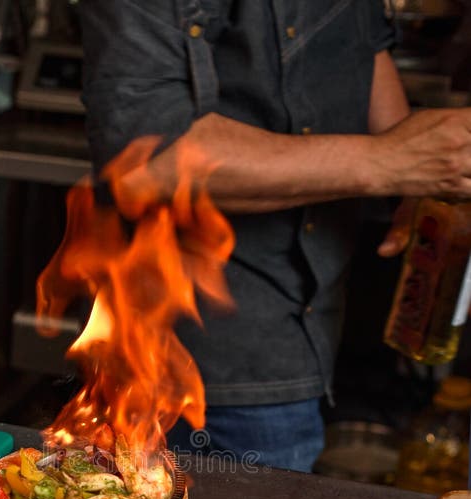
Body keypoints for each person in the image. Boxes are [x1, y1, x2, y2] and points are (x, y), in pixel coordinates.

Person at [77, 1, 471, 472]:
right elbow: (147, 161)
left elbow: (360, 37)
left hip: (322, 314)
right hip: (201, 350)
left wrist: (420, 180)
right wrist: (394, 160)